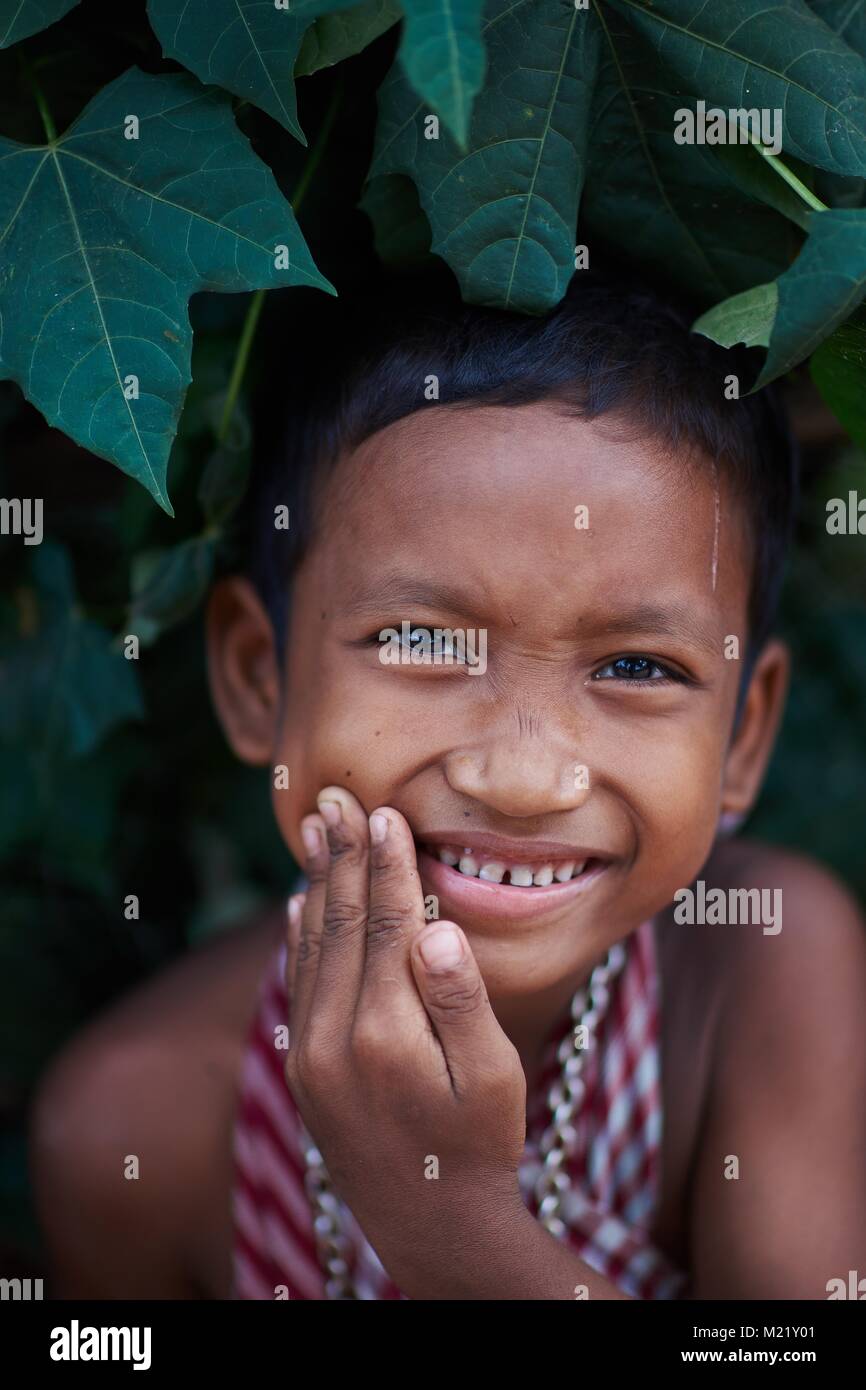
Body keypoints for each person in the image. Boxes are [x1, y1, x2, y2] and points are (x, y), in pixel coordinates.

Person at [29, 270, 866, 1299]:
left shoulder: (755, 968)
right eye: (420, 640)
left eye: (637, 666)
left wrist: (446, 1220)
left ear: (744, 732)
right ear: (259, 676)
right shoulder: (134, 1128)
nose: (520, 777)